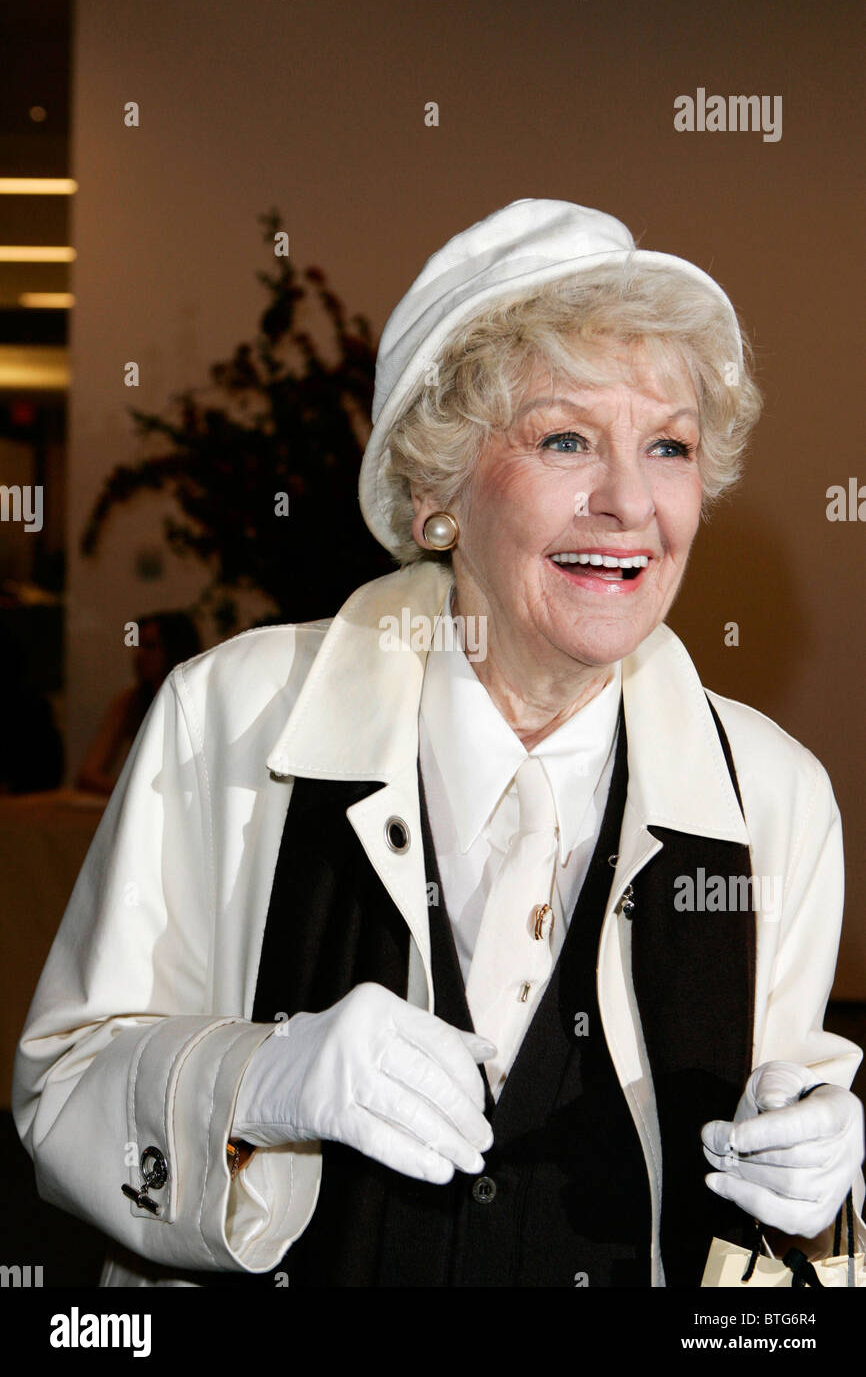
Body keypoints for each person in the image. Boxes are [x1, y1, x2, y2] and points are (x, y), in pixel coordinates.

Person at [12, 199, 865, 1287]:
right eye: (564, 439)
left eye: (668, 446)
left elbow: (779, 1236)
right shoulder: (226, 719)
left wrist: (821, 1202)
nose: (628, 503)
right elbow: (64, 1091)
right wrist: (257, 1080)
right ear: (436, 491)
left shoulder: (772, 801)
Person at [75, 611, 202, 795]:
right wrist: (138, 794)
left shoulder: (197, 700)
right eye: (138, 645)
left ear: (174, 650)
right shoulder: (130, 702)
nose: (139, 655)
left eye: (150, 646)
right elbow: (88, 774)